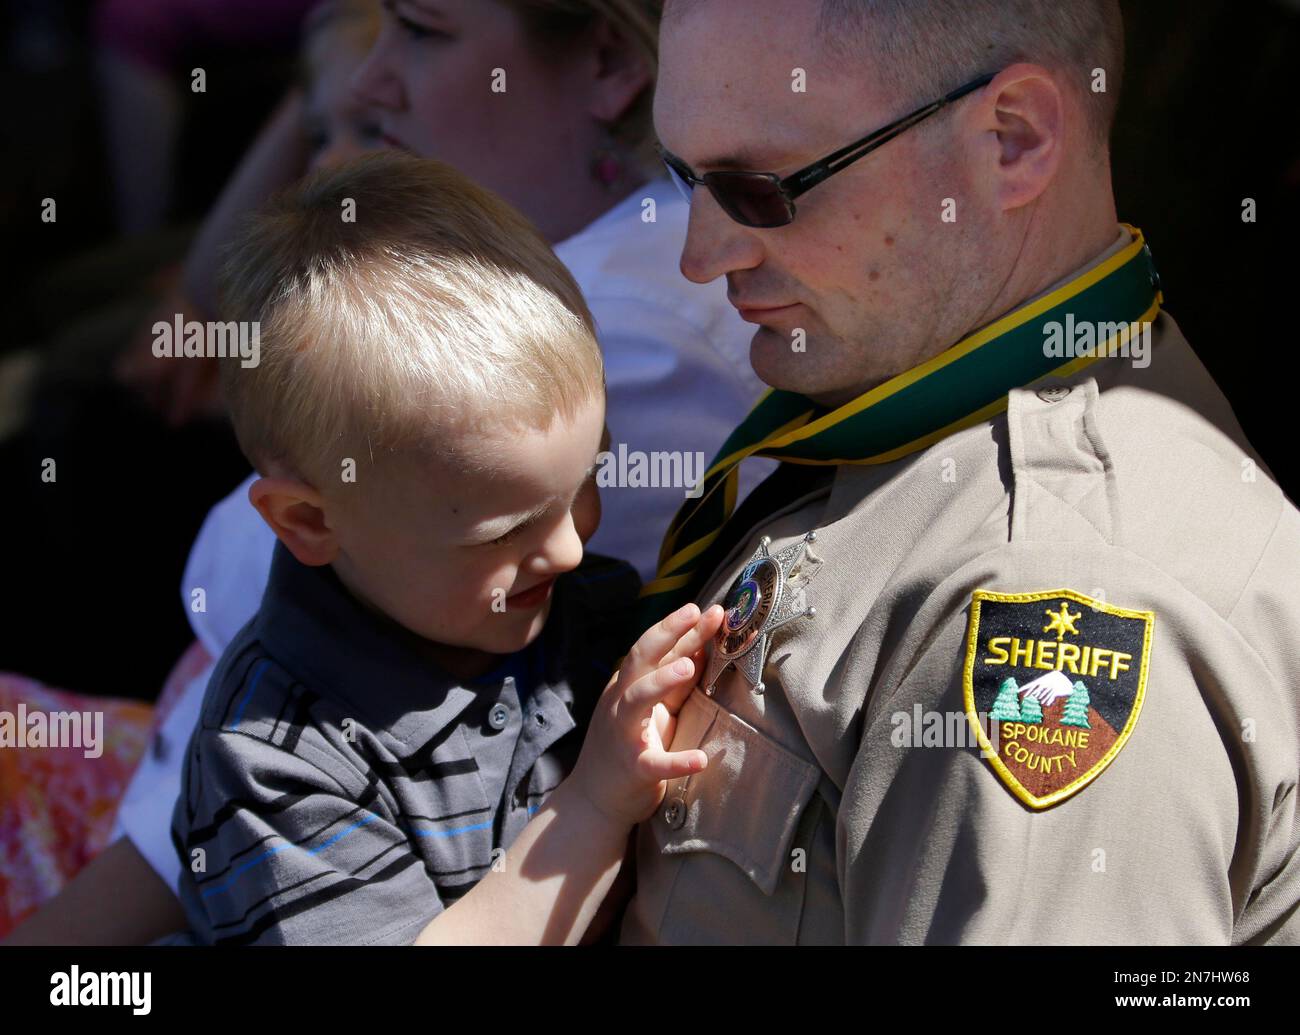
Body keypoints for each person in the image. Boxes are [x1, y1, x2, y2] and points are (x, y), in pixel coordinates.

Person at [620, 0, 1300, 944]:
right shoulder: (907, 418)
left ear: (1012, 138)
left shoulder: (1052, 590)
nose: (702, 257)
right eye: (682, 175)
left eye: (762, 188)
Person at [163, 151, 724, 945]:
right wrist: (594, 801)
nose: (567, 550)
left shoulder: (584, 613)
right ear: (310, 522)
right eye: (505, 532)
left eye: (588, 479)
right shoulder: (276, 761)